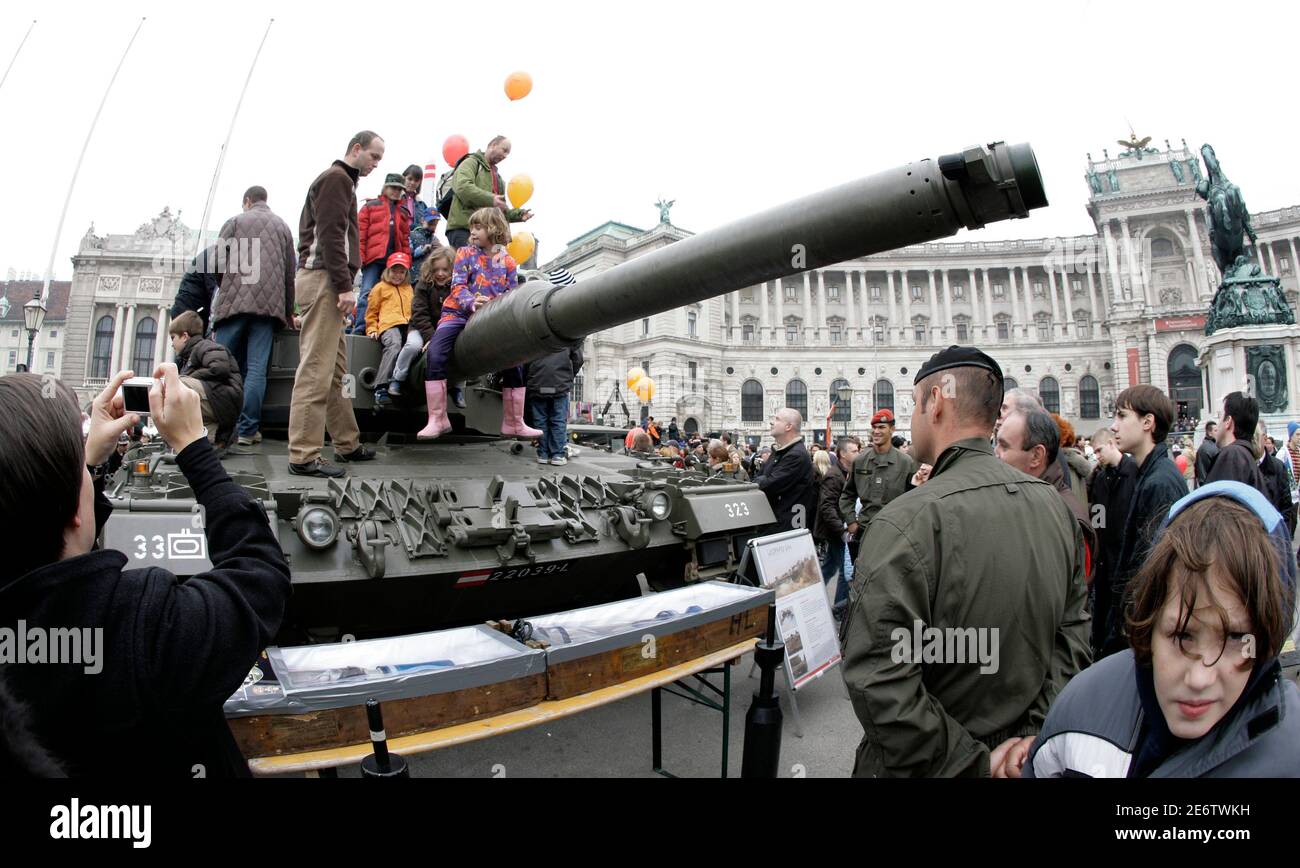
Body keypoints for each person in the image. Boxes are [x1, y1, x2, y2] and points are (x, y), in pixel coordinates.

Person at [0, 367, 291, 776]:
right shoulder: (146, 628)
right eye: (81, 476)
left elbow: (50, 538)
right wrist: (194, 447)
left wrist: (85, 463)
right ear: (72, 510)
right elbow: (260, 578)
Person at [840, 346, 1089, 777]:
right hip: (1025, 761)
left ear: (935, 401)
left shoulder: (906, 519)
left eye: (914, 404)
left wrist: (968, 764)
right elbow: (1073, 635)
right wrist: (1030, 742)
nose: (912, 418)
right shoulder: (1055, 507)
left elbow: (877, 676)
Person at [1017, 485, 1300, 778]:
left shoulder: (1291, 756)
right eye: (1181, 636)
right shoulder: (1080, 709)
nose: (1199, 678)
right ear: (1148, 622)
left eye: (1236, 638)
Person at [287, 130, 384, 478]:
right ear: (355, 150)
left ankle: (346, 443)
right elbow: (331, 233)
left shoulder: (343, 181)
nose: (375, 164)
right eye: (373, 156)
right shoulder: (337, 179)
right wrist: (345, 286)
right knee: (316, 369)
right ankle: (302, 454)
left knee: (337, 373)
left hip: (330, 281)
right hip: (325, 280)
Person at [416, 208, 539, 440]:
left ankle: (514, 422)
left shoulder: (509, 263)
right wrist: (472, 302)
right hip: (458, 313)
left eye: (478, 227)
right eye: (472, 227)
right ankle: (438, 418)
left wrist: (492, 306)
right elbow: (458, 286)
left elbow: (510, 296)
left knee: (515, 359)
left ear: (493, 229)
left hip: (493, 317)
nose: (472, 232)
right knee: (436, 351)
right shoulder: (464, 253)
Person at [1099, 384, 1190, 658]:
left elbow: (1151, 567)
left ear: (1148, 422)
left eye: (1122, 416)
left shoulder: (1159, 482)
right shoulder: (1148, 475)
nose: (1114, 427)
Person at [211, 186, 297, 448]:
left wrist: (226, 287)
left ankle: (216, 426)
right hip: (267, 309)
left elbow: (217, 262)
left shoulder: (235, 222)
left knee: (218, 367)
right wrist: (288, 311)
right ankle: (248, 430)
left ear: (247, 201)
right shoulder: (283, 227)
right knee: (257, 370)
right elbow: (289, 275)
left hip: (233, 305)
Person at [996, 407, 1096, 586]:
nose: (995, 453)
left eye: (1004, 446)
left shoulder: (1068, 519)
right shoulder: (1018, 497)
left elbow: (1073, 600)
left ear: (1036, 455)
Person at [839, 409, 916, 564]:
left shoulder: (905, 462)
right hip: (865, 530)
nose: (876, 431)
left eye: (881, 427)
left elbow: (914, 499)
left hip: (894, 532)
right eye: (874, 428)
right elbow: (847, 495)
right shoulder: (860, 461)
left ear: (892, 429)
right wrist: (852, 522)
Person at [1086, 428, 1138, 657]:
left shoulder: (1133, 472)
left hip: (1123, 551)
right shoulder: (1099, 477)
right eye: (1095, 452)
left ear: (1111, 443)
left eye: (1099, 450)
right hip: (1107, 554)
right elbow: (1098, 513)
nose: (1097, 455)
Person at [169, 310, 243, 448]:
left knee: (176, 385)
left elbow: (219, 368)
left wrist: (187, 378)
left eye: (173, 337)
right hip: (220, 403)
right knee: (201, 445)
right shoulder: (192, 354)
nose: (172, 344)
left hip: (223, 401)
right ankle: (212, 440)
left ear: (184, 336)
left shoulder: (204, 346)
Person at [446, 136, 534, 250]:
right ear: (493, 145)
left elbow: (501, 211)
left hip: (487, 236)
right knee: (468, 267)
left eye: (508, 153)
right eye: (504, 150)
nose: (505, 156)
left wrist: (518, 215)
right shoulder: (471, 162)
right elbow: (463, 187)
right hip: (465, 228)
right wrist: (491, 199)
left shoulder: (499, 179)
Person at [391, 247, 454, 402]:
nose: (440, 274)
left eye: (445, 269)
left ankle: (457, 386)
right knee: (413, 346)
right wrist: (431, 338)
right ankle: (397, 378)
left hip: (444, 329)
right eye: (436, 269)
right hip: (420, 328)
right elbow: (419, 314)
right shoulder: (423, 285)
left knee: (458, 348)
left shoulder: (456, 287)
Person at [354, 173, 413, 334]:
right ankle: (360, 328)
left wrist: (407, 260)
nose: (396, 191)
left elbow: (405, 238)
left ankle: (388, 326)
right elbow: (360, 235)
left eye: (399, 189)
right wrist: (361, 257)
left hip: (394, 260)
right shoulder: (370, 206)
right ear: (385, 187)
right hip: (374, 258)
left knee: (393, 294)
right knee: (367, 292)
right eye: (393, 188)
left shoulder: (403, 211)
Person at [814, 436, 860, 620]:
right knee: (845, 570)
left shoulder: (849, 471)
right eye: (854, 450)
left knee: (830, 566)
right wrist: (842, 531)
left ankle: (810, 594)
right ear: (842, 454)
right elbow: (827, 506)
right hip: (835, 531)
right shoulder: (834, 475)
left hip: (838, 529)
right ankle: (841, 610)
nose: (858, 453)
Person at [363, 252, 415, 406]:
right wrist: (371, 328)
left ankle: (402, 384)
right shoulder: (379, 288)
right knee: (394, 345)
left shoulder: (409, 289)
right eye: (394, 270)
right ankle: (381, 386)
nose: (397, 275)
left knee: (416, 347)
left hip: (408, 325)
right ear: (387, 270)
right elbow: (371, 312)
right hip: (389, 325)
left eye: (402, 271)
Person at [754, 407, 816, 533]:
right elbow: (761, 478)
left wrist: (761, 480)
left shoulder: (796, 455)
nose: (772, 422)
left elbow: (769, 484)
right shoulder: (780, 451)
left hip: (786, 527)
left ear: (788, 427)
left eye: (777, 419)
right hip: (775, 522)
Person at [525, 335, 584, 466]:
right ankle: (557, 455)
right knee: (558, 421)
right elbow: (578, 360)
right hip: (560, 385)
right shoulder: (567, 333)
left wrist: (530, 379)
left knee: (540, 421)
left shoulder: (534, 334)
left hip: (537, 383)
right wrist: (568, 376)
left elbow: (525, 361)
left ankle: (543, 454)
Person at [1204, 391, 1266, 494]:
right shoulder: (1246, 456)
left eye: (1220, 416)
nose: (1218, 423)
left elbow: (1220, 506)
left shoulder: (1232, 456)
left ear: (1228, 421)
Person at [170, 244, 223, 334]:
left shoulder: (212, 254)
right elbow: (215, 295)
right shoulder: (214, 259)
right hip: (187, 314)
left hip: (187, 311)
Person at [1255, 423, 1297, 535]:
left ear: (1264, 438)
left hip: (1274, 535)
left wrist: (1282, 536)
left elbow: (1286, 505)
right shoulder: (1242, 464)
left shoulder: (1277, 466)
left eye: (1255, 437)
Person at [409, 204, 442, 283]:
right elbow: (409, 253)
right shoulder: (411, 235)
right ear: (422, 220)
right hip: (414, 278)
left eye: (435, 224)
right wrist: (422, 250)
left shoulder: (434, 239)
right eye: (430, 223)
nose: (432, 226)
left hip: (429, 278)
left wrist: (439, 250)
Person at [1194, 420, 1219, 488]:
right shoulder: (1211, 448)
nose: (1218, 433)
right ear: (1209, 433)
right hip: (1210, 486)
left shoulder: (1206, 447)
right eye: (1216, 431)